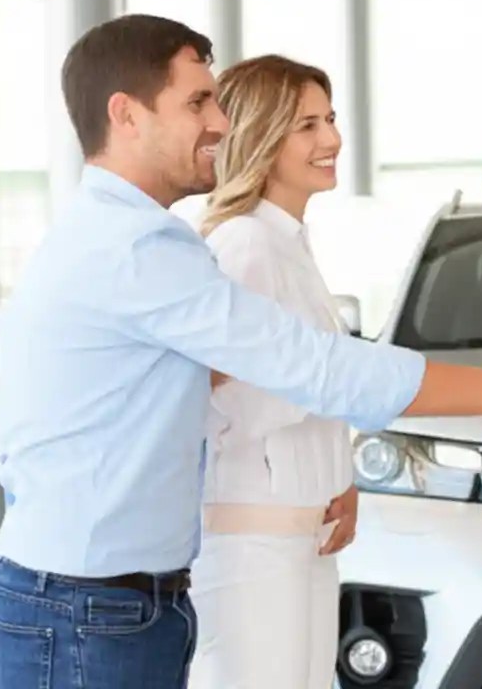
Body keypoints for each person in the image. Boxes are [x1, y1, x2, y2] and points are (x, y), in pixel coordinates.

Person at [0, 15, 482, 689]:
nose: (221, 123)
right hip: (85, 609)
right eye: (198, 103)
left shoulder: (137, 241)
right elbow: (312, 368)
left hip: (121, 600)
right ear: (125, 115)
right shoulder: (134, 250)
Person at [181, 54, 358, 688]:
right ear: (259, 134)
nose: (332, 139)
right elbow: (233, 399)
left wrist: (339, 475)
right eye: (306, 125)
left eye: (330, 119)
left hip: (296, 535)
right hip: (252, 543)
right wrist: (344, 381)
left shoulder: (284, 240)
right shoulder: (246, 244)